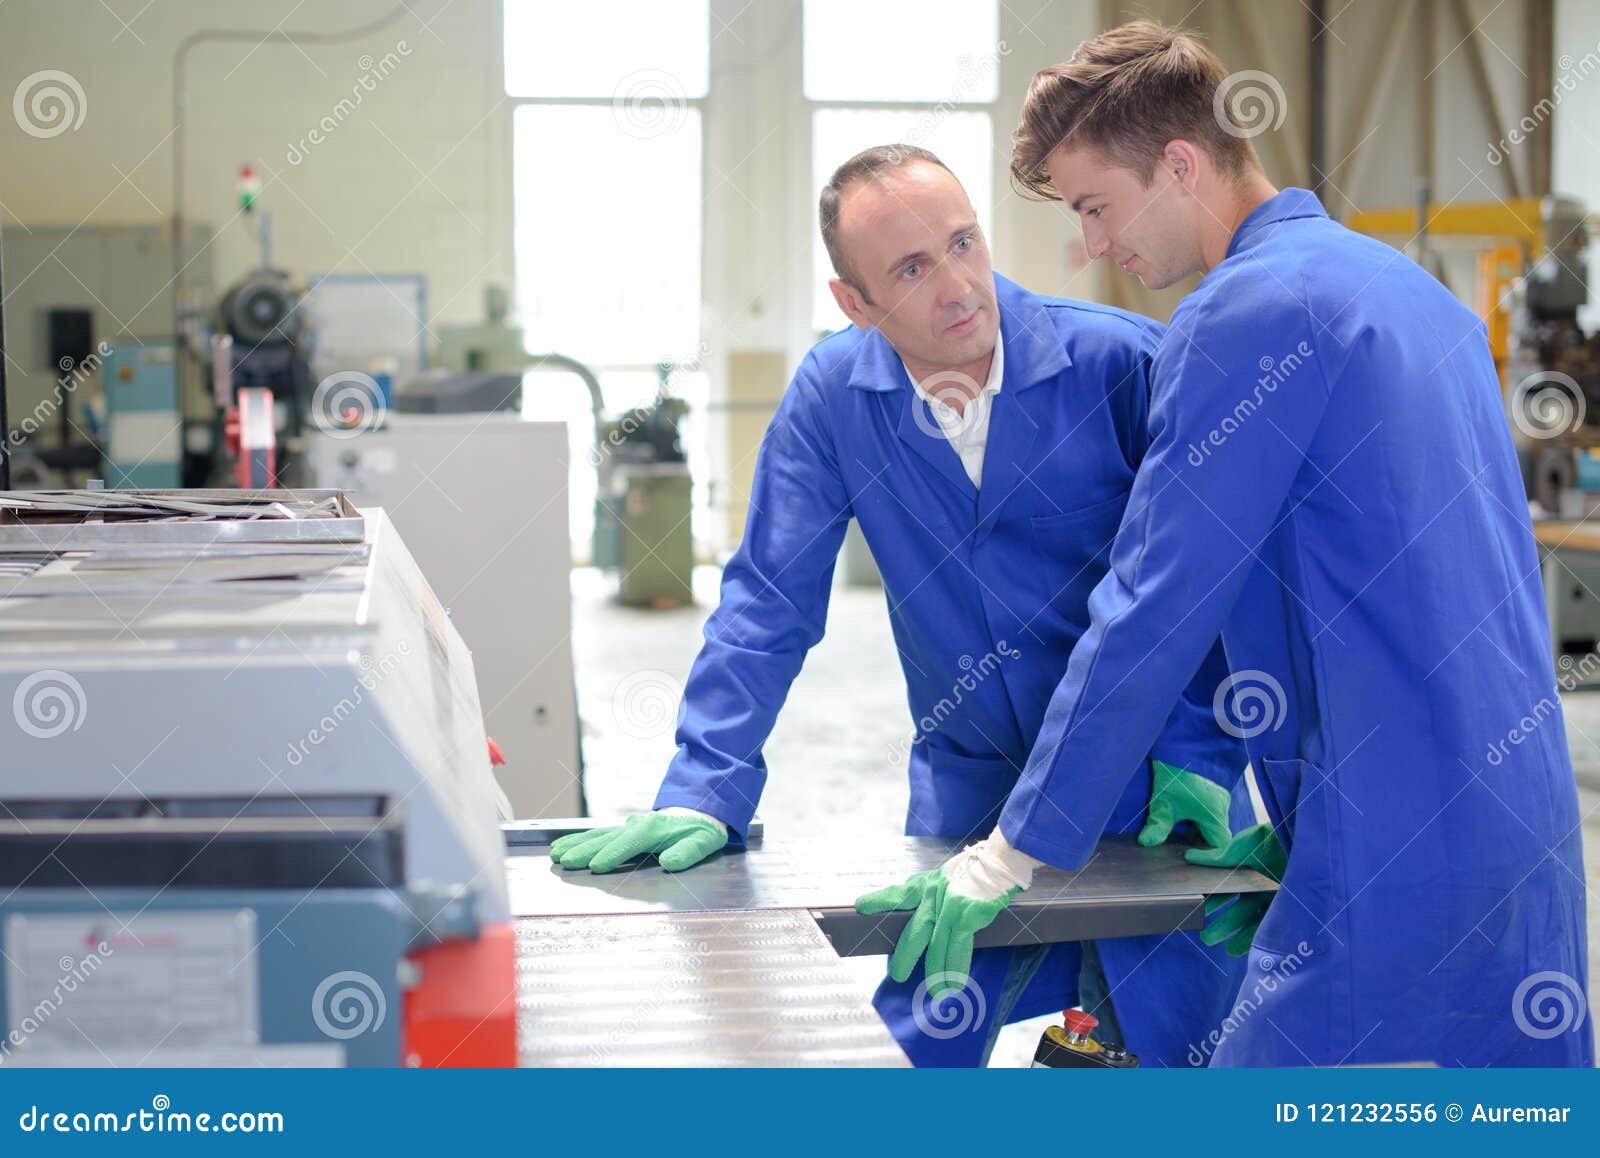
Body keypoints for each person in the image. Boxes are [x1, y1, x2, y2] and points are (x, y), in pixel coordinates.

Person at [859, 22, 1593, 1067]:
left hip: (1389, 857)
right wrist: (1292, 821)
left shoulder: (1245, 313)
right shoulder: (1409, 297)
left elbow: (1153, 601)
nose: (1096, 245)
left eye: (1095, 207)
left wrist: (1013, 851)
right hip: (1515, 835)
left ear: (1179, 164)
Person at [553, 144, 1254, 1067]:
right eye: (913, 269)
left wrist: (1199, 749)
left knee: (1176, 1058)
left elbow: (1211, 581)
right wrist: (705, 783)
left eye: (965, 243)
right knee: (918, 1048)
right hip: (970, 792)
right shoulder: (834, 400)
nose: (961, 285)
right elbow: (768, 600)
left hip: (1150, 791)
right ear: (855, 303)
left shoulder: (1123, 367)